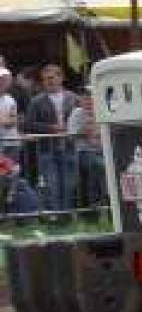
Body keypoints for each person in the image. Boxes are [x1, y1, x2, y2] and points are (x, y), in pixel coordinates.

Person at [26, 64, 77, 212]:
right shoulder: (36, 101)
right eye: (45, 79)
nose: (48, 81)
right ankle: (56, 215)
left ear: (61, 78)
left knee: (69, 184)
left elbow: (81, 117)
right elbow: (29, 125)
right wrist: (51, 128)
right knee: (52, 184)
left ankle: (67, 214)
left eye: (51, 78)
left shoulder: (73, 97)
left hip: (69, 146)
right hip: (47, 149)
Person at [68, 89, 104, 211]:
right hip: (84, 152)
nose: (88, 101)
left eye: (90, 97)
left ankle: (106, 204)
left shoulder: (102, 110)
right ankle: (93, 206)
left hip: (103, 151)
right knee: (98, 165)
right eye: (85, 98)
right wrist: (85, 128)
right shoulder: (77, 113)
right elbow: (71, 136)